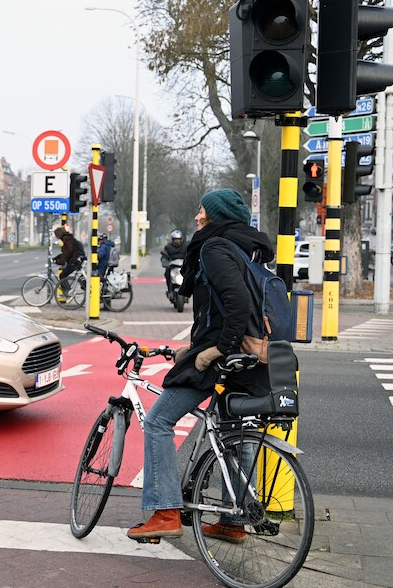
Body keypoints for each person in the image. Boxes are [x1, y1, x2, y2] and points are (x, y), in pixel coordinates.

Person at [127, 188, 274, 543]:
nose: (196, 217)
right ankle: (233, 520)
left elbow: (236, 305)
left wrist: (211, 352)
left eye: (202, 211)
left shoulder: (214, 247)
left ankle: (165, 512)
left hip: (222, 353)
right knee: (233, 432)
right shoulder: (246, 246)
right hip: (252, 355)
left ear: (216, 215)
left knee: (159, 421)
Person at [52, 225, 83, 294]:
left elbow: (68, 252)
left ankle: (67, 291)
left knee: (62, 275)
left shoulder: (66, 239)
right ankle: (68, 291)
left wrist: (60, 261)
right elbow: (65, 252)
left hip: (74, 261)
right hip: (76, 259)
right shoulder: (68, 238)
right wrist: (56, 258)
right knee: (80, 277)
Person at [160, 229, 188, 297]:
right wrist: (165, 262)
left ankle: (188, 290)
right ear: (172, 239)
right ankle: (170, 289)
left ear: (181, 239)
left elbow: (190, 254)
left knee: (189, 275)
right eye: (175, 239)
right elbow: (164, 255)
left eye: (178, 239)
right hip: (172, 266)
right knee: (167, 274)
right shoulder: (168, 247)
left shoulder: (186, 246)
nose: (177, 241)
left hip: (183, 266)